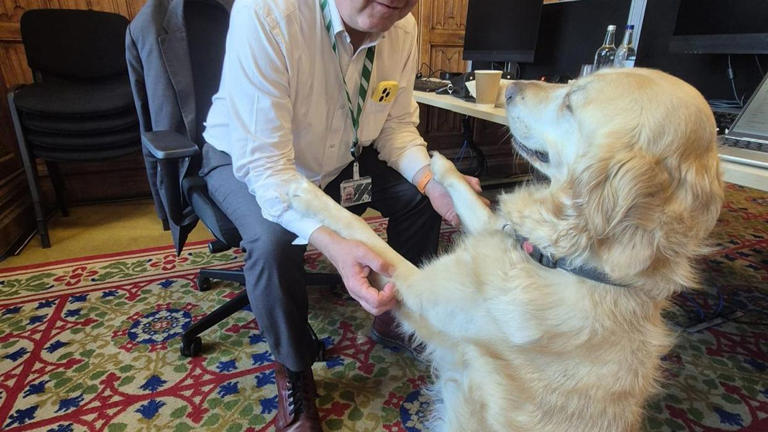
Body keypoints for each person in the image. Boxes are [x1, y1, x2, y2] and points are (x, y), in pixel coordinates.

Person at [201, 0, 482, 429]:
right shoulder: (268, 13)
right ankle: (293, 371)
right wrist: (334, 244)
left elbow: (395, 126)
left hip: (340, 158)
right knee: (274, 243)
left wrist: (431, 181)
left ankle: (395, 315)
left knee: (419, 196)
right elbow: (270, 169)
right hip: (249, 160)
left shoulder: (401, 26)